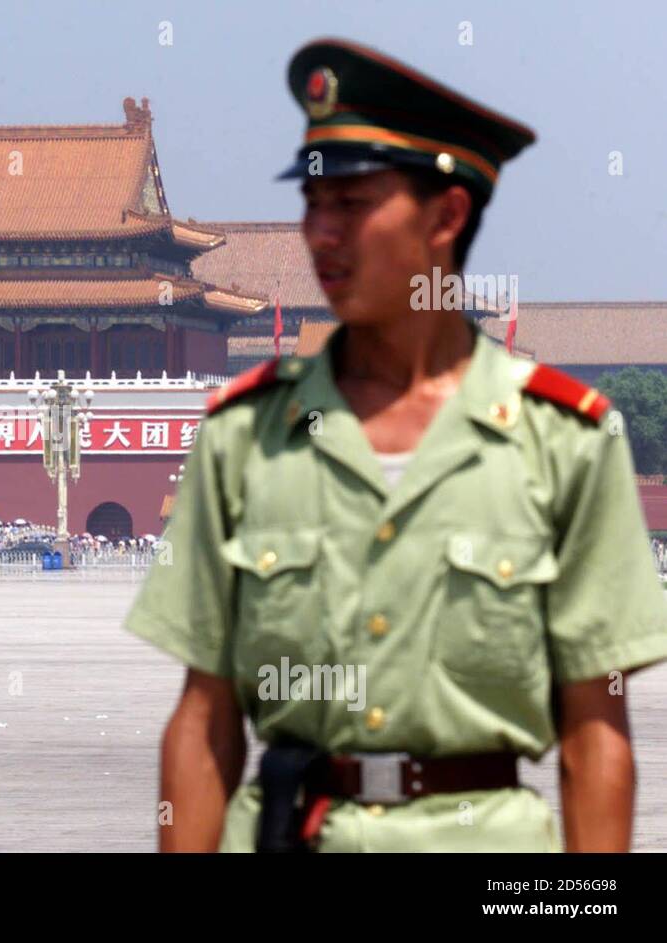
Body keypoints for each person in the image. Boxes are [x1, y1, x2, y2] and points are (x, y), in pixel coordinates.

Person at [125, 38, 667, 853]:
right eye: (314, 205)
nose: (321, 234)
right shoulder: (247, 436)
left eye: (355, 205)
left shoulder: (565, 442)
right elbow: (204, 719)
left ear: (446, 216)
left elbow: (595, 732)